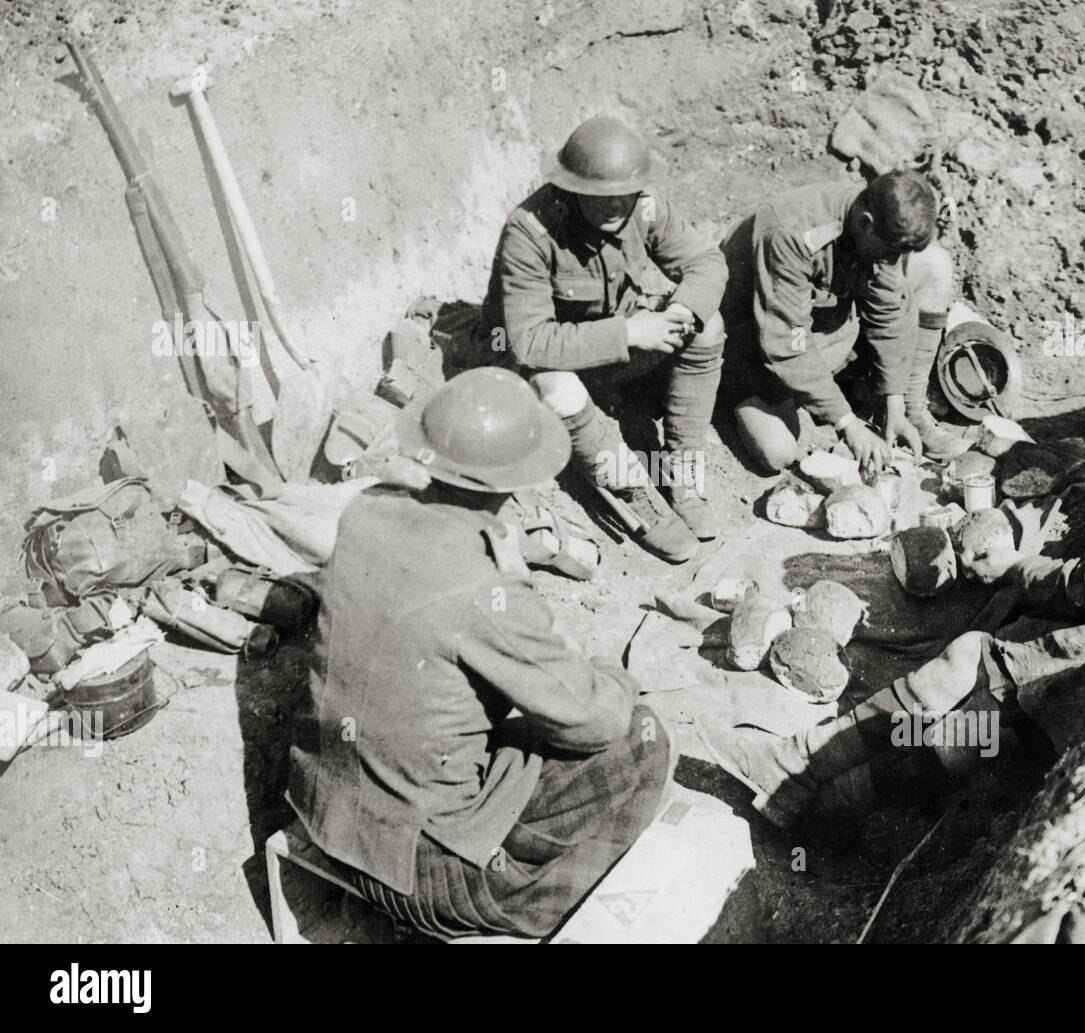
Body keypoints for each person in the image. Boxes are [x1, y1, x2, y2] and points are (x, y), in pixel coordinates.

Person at [700, 259, 1085, 827]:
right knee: (983, 725)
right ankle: (818, 795)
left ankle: (801, 776)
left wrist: (1020, 567)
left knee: (971, 682)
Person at [288, 367, 672, 938]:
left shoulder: (366, 511)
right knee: (641, 737)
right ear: (518, 474)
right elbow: (595, 721)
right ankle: (539, 908)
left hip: (322, 811)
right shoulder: (487, 586)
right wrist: (606, 668)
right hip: (421, 872)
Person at [478, 116, 728, 563]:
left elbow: (706, 261)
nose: (614, 207)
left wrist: (681, 312)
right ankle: (634, 494)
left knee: (707, 325)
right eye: (599, 198)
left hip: (610, 346)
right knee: (558, 387)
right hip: (542, 363)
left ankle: (684, 473)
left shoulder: (643, 205)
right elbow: (529, 343)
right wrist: (631, 332)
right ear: (571, 188)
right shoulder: (530, 231)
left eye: (624, 196)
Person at [718, 171, 968, 476]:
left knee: (933, 264)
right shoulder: (792, 233)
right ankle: (731, 396)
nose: (892, 262)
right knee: (779, 453)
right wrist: (846, 423)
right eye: (890, 253)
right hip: (756, 344)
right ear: (865, 224)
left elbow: (889, 309)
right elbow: (787, 346)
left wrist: (895, 399)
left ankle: (903, 408)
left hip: (821, 328)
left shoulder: (876, 217)